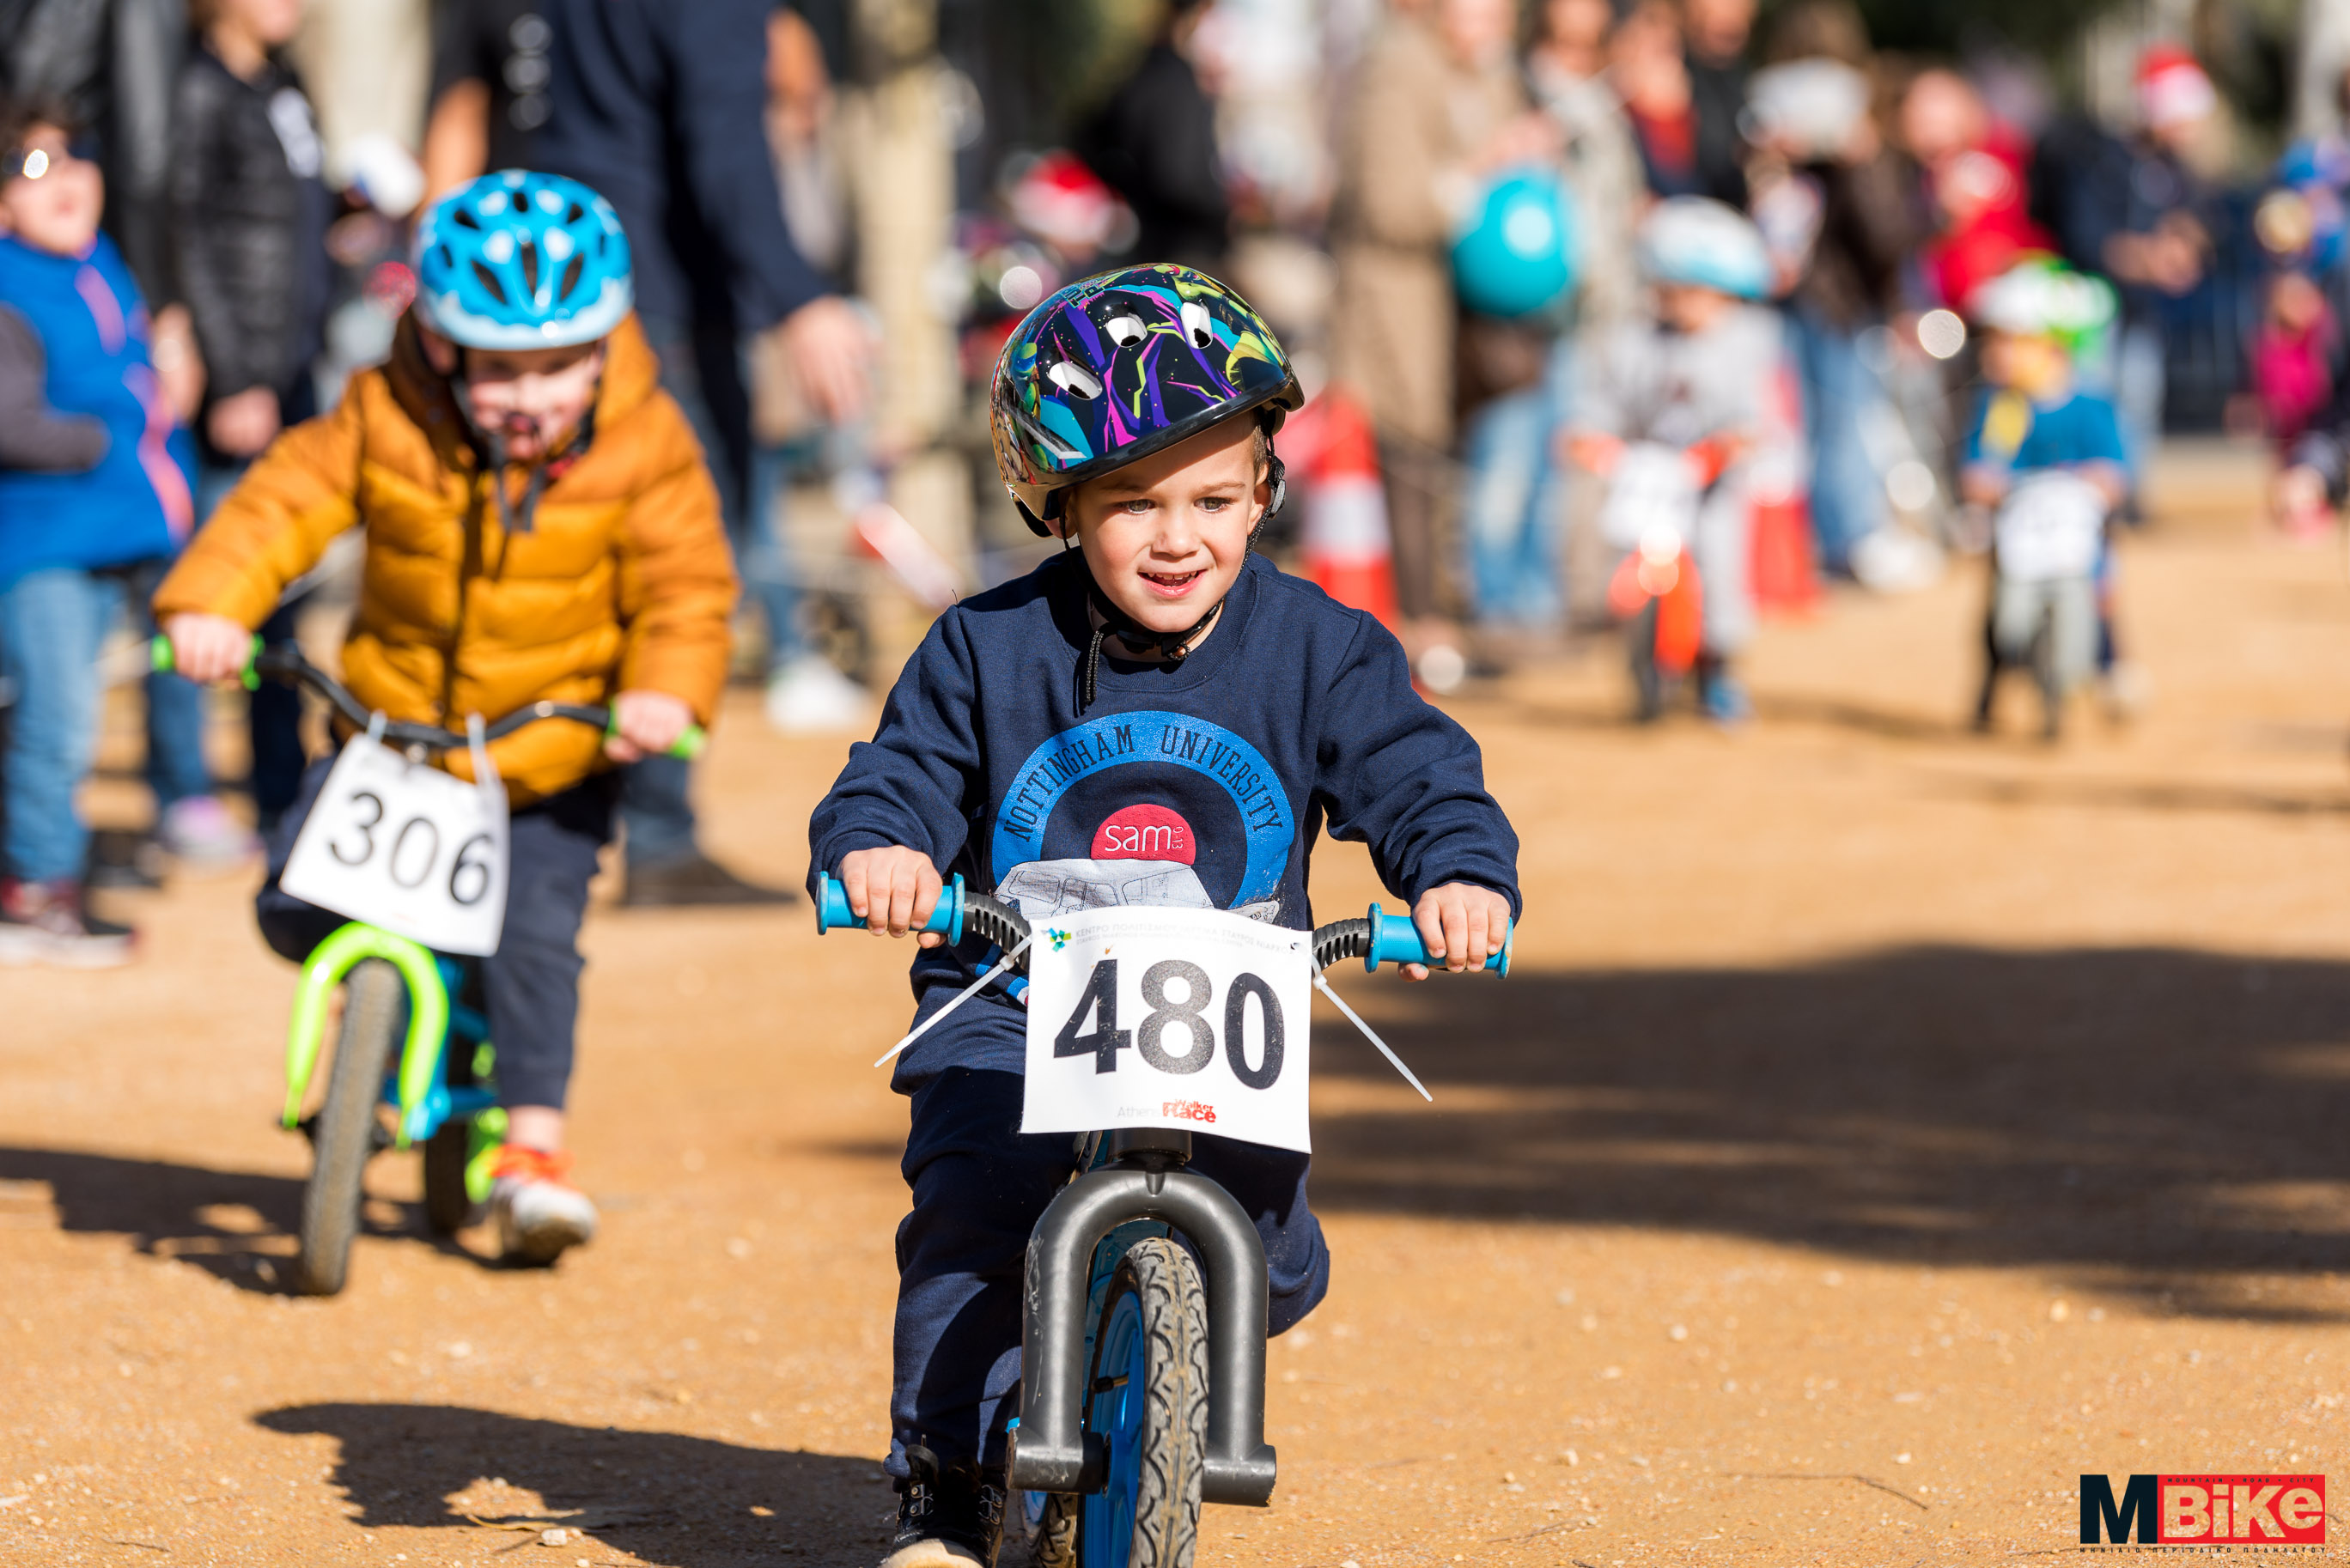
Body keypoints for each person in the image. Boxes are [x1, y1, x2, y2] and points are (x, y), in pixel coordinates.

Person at [807, 264, 1521, 1563]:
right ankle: (948, 1488)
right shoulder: (985, 646)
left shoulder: (1319, 647)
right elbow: (897, 774)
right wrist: (880, 851)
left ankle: (1189, 1325)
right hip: (1014, 997)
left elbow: (1417, 771)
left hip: (1216, 1013)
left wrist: (1455, 873)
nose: (1177, 537)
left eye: (1214, 498)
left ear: (1266, 488)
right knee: (976, 1205)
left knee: (1267, 1252)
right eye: (1133, 503)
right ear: (1060, 505)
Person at [154, 173, 737, 1263]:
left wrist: (664, 687)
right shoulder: (386, 414)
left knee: (532, 944)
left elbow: (687, 585)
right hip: (394, 738)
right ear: (438, 345)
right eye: (499, 367)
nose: (530, 396)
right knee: (293, 901)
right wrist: (211, 605)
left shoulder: (646, 438)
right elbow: (284, 502)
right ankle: (375, 1033)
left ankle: (533, 1154)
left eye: (558, 365)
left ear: (605, 349)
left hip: (548, 752)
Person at [530, 0, 872, 906]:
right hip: (666, 307)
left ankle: (568, 823)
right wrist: (799, 294)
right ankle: (657, 834)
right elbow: (727, 142)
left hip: (573, 288)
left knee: (588, 566)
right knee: (682, 566)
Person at [0, 98, 195, 964]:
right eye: (33, 165)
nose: (65, 176)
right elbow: (10, 420)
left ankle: (48, 866)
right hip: (41, 543)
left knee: (65, 710)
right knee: (56, 721)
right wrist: (103, 439)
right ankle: (37, 889)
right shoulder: (10, 284)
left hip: (104, 534)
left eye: (77, 153)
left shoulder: (96, 263)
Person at [1328, 0, 1554, 677]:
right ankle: (1420, 637)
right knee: (1409, 458)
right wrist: (1485, 165)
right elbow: (1390, 204)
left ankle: (1442, 626)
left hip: (1460, 303)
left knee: (1443, 466)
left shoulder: (1484, 72)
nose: (1497, 22)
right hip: (1396, 299)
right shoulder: (1398, 68)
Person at [171, 0, 333, 850]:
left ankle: (279, 792)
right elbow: (187, 240)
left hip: (295, 369)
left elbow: (287, 224)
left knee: (285, 601)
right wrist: (232, 376)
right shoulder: (196, 89)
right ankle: (185, 792)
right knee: (207, 590)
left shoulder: (283, 83)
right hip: (239, 384)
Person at [1568, 197, 1781, 723]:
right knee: (1630, 564)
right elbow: (1604, 400)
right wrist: (1587, 434)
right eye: (1682, 292)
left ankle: (1719, 669)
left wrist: (1737, 440)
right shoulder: (1634, 342)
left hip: (1710, 482)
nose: (1694, 306)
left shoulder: (1746, 342)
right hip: (1648, 481)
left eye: (1709, 295)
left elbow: (1757, 413)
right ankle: (1643, 664)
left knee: (1717, 567)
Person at [1746, 0, 1917, 577]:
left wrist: (1859, 161)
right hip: (1782, 296)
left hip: (1840, 303)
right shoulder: (1761, 129)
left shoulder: (1866, 134)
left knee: (1842, 421)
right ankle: (1807, 547)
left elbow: (1887, 236)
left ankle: (1845, 538)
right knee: (1793, 428)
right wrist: (1766, 162)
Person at [1959, 258, 2126, 738]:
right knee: (2001, 618)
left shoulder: (2090, 407)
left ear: (2051, 346)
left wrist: (2088, 485)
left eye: (2009, 341)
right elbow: (1981, 468)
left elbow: (2114, 473)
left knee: (2098, 601)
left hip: (2074, 543)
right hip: (2019, 541)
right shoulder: (2005, 407)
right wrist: (1997, 486)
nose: (1995, 353)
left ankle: (2108, 671)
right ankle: (1994, 685)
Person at [1075, 0, 1231, 275]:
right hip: (1183, 253)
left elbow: (1089, 141)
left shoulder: (1141, 75)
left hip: (1147, 246)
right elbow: (1177, 177)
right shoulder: (1176, 82)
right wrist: (1223, 211)